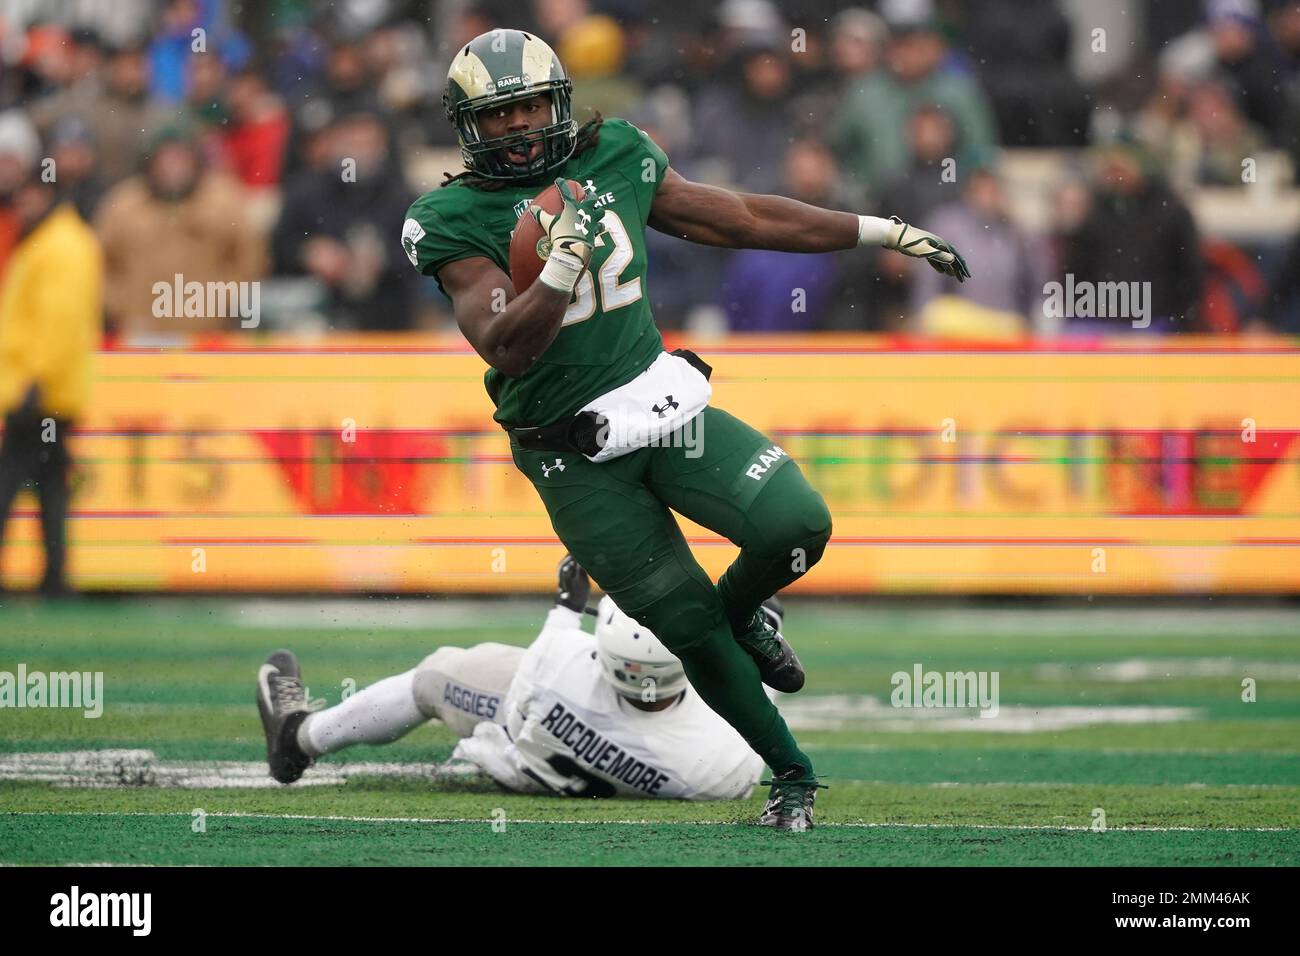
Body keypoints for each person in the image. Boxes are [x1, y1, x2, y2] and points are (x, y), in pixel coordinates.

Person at [265, 29, 968, 832]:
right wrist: (558, 273)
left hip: (656, 404)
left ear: (558, 102)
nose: (523, 126)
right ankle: (794, 776)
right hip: (570, 453)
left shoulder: (618, 154)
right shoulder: (447, 217)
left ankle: (746, 613)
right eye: (501, 115)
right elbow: (505, 342)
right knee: (685, 625)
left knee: (798, 523)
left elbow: (734, 216)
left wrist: (877, 229)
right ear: (468, 126)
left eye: (533, 105)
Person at [256, 556, 779, 801]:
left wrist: (567, 603)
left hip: (528, 737)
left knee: (435, 674)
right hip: (560, 765)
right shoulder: (724, 767)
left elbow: (542, 662)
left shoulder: (562, 667)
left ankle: (298, 738)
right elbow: (760, 703)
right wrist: (763, 632)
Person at [0, 140, 103, 594]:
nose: (22, 206)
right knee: (48, 488)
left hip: (39, 391)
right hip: (46, 388)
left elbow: (57, 325)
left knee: (12, 484)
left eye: (29, 197)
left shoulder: (59, 245)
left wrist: (32, 381)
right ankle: (56, 577)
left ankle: (55, 577)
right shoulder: (56, 241)